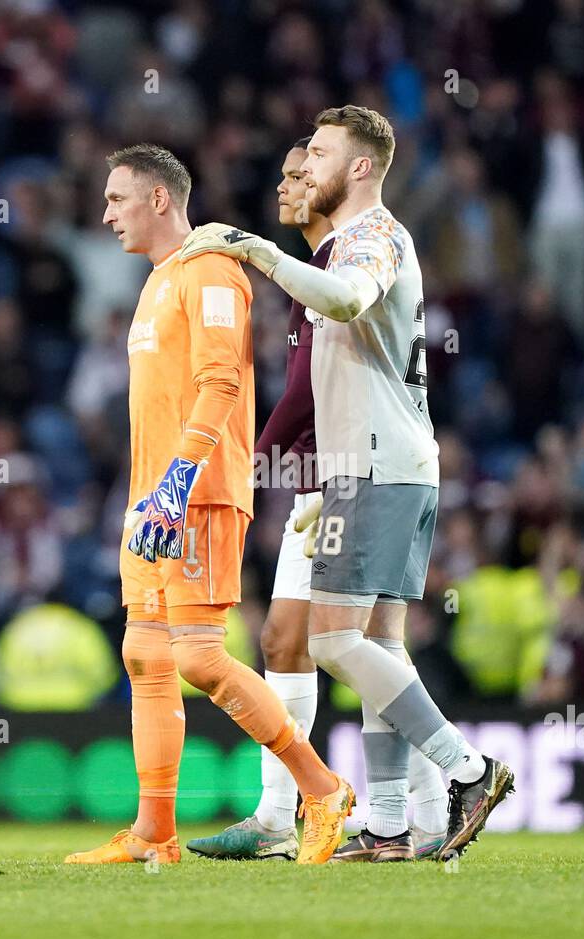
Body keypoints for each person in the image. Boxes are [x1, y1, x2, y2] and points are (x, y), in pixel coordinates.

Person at [181, 106, 513, 860]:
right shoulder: (357, 240)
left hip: (376, 464)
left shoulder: (371, 236)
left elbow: (348, 299)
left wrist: (255, 250)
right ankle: (396, 823)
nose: (305, 167)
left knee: (331, 638)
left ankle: (468, 767)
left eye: (321, 154)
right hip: (379, 463)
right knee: (377, 643)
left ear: (360, 167)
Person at [63, 144, 353, 867]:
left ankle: (321, 788)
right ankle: (154, 834)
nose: (105, 214)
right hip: (151, 502)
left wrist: (178, 482)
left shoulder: (213, 269)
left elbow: (222, 384)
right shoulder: (159, 280)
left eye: (116, 198)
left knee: (197, 656)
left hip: (195, 494)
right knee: (144, 653)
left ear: (159, 198)